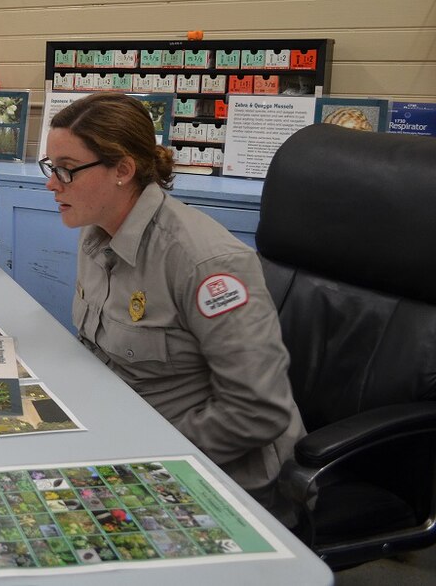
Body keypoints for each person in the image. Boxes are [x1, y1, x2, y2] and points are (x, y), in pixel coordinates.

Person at [41, 92, 304, 518]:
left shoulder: (205, 262)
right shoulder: (95, 234)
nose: (52, 183)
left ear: (123, 170)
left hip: (218, 474)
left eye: (67, 171)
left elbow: (257, 410)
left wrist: (147, 454)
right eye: (52, 168)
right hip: (127, 440)